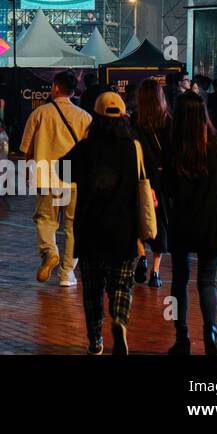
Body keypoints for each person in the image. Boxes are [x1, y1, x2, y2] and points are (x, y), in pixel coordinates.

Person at [62, 92, 142, 354]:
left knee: (93, 290)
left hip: (90, 228)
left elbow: (61, 169)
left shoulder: (86, 148)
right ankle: (119, 318)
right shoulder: (133, 148)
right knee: (121, 284)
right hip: (124, 228)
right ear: (123, 118)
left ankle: (95, 338)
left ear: (94, 118)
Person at [163, 91, 217, 355]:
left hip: (182, 220)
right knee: (207, 282)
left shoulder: (173, 147)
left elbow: (167, 188)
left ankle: (182, 338)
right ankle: (211, 335)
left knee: (179, 280)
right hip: (212, 219)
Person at [19, 70, 92, 286]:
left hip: (46, 175)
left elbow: (26, 150)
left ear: (56, 88)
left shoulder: (39, 114)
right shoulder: (85, 117)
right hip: (74, 179)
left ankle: (49, 251)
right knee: (72, 227)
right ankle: (67, 273)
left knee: (45, 220)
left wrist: (28, 171)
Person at [131, 78, 170, 288]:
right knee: (161, 222)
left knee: (139, 218)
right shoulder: (167, 120)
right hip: (162, 178)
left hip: (140, 176)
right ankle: (155, 271)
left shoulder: (134, 120)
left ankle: (141, 255)